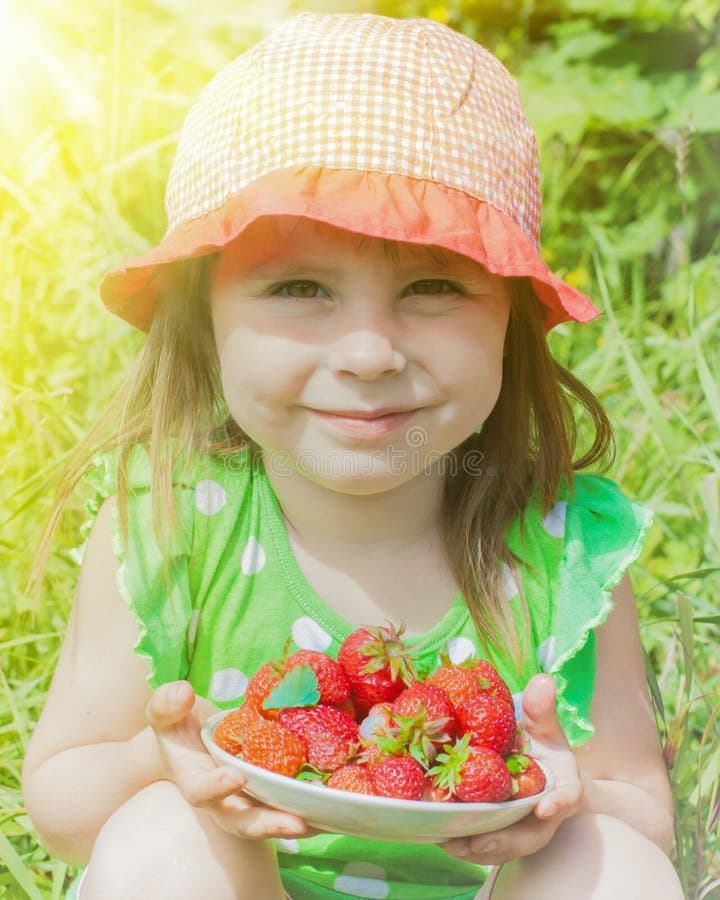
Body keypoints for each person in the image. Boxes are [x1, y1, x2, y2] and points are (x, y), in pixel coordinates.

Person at [22, 11, 684, 900]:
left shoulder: (562, 548)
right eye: (301, 287)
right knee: (159, 840)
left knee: (610, 865)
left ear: (511, 320)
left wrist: (566, 797)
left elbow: (644, 812)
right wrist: (170, 755)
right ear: (203, 317)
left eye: (433, 285)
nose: (369, 352)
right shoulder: (170, 520)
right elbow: (62, 803)